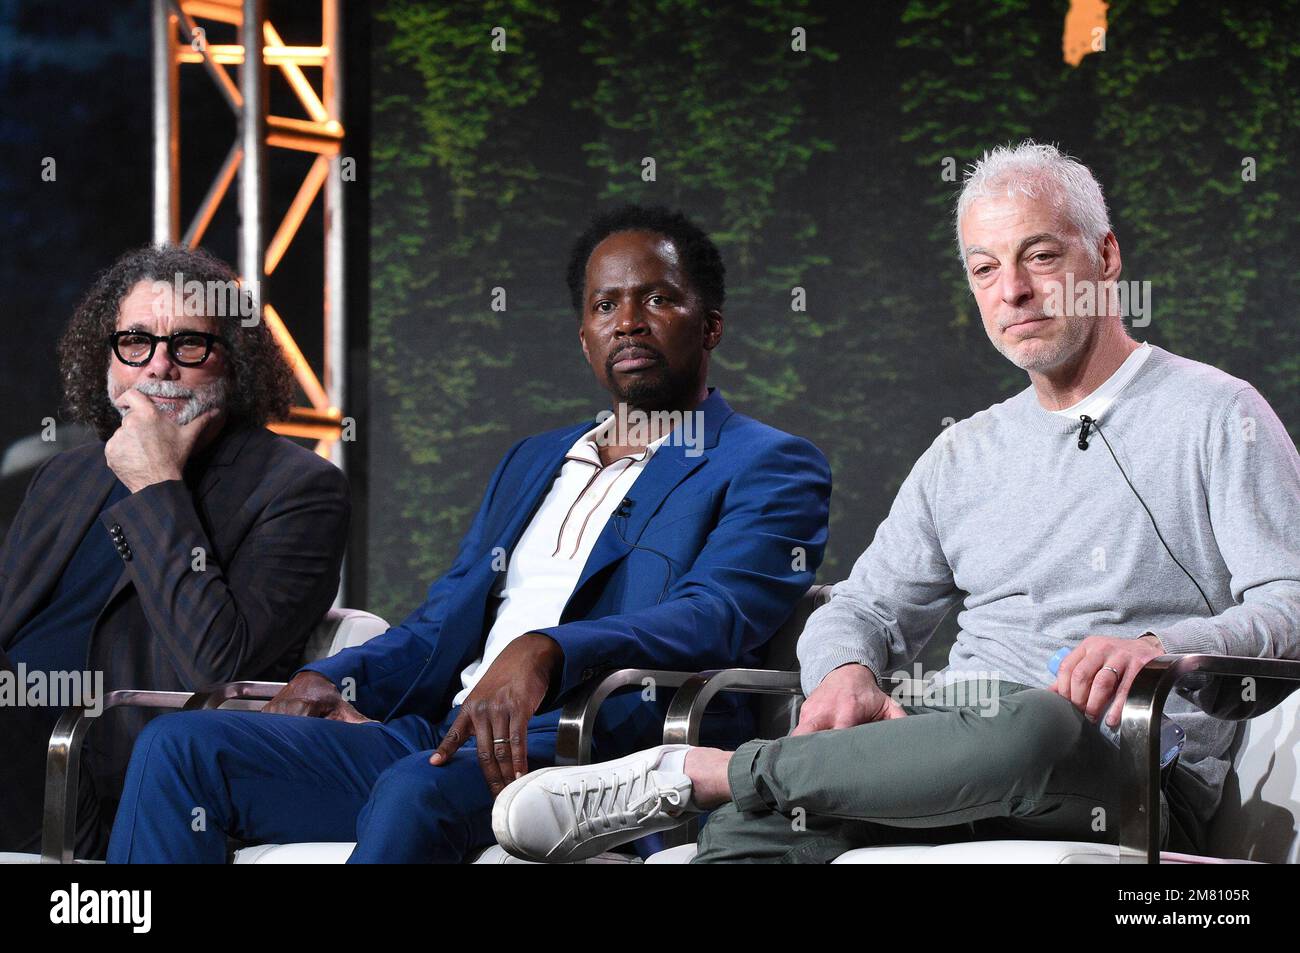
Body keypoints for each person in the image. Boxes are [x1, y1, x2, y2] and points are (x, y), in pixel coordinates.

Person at [491, 142, 1300, 864]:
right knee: (756, 836)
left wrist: (1163, 643)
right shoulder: (964, 452)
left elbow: (1291, 602)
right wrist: (844, 668)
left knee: (1040, 725)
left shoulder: (1216, 414)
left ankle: (703, 773)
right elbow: (864, 606)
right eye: (984, 268)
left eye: (1040, 256)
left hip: (1121, 767)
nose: (1012, 290)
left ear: (1107, 256)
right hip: (940, 750)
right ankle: (738, 795)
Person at [107, 205, 831, 863]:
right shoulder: (534, 459)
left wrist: (545, 650)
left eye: (658, 298)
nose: (629, 321)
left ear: (711, 326)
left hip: (601, 746)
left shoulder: (768, 462)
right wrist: (332, 677)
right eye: (605, 304)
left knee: (410, 792)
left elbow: (716, 614)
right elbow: (440, 621)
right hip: (447, 736)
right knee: (183, 746)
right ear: (584, 339)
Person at [0, 244, 349, 857]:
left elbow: (217, 666)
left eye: (189, 346)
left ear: (232, 362)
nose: (158, 366)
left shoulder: (296, 488)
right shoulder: (65, 476)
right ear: (107, 360)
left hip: (109, 760)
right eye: (135, 342)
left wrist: (158, 486)